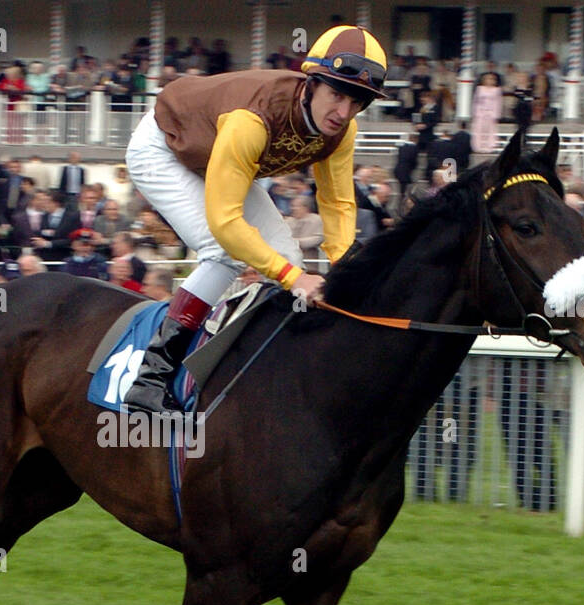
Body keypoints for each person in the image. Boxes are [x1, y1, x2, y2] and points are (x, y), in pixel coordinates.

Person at [121, 24, 387, 414]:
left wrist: (346, 267)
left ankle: (249, 370)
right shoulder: (254, 118)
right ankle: (150, 377)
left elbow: (337, 203)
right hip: (163, 147)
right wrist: (294, 279)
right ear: (311, 82)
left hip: (215, 154)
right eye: (337, 95)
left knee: (288, 258)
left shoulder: (342, 132)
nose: (343, 112)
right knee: (223, 252)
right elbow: (225, 223)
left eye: (357, 102)